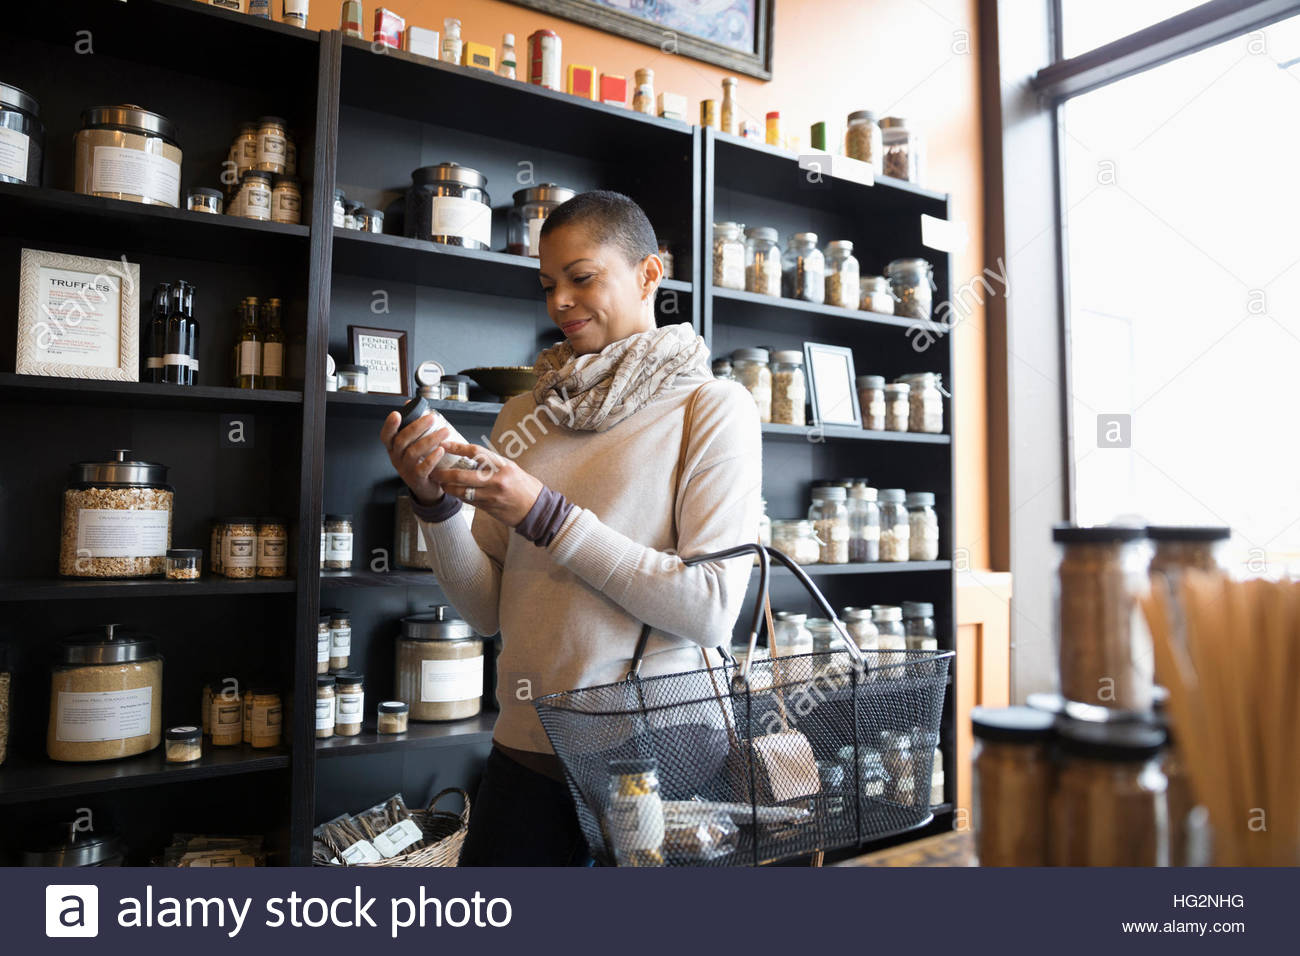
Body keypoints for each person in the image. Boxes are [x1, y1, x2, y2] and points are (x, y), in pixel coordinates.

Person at [380, 190, 762, 865]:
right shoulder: (524, 415)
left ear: (649, 274)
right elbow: (486, 611)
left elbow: (708, 610)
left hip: (658, 758)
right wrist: (435, 502)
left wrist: (544, 513)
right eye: (548, 284)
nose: (559, 302)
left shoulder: (711, 406)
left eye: (582, 278)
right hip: (526, 749)